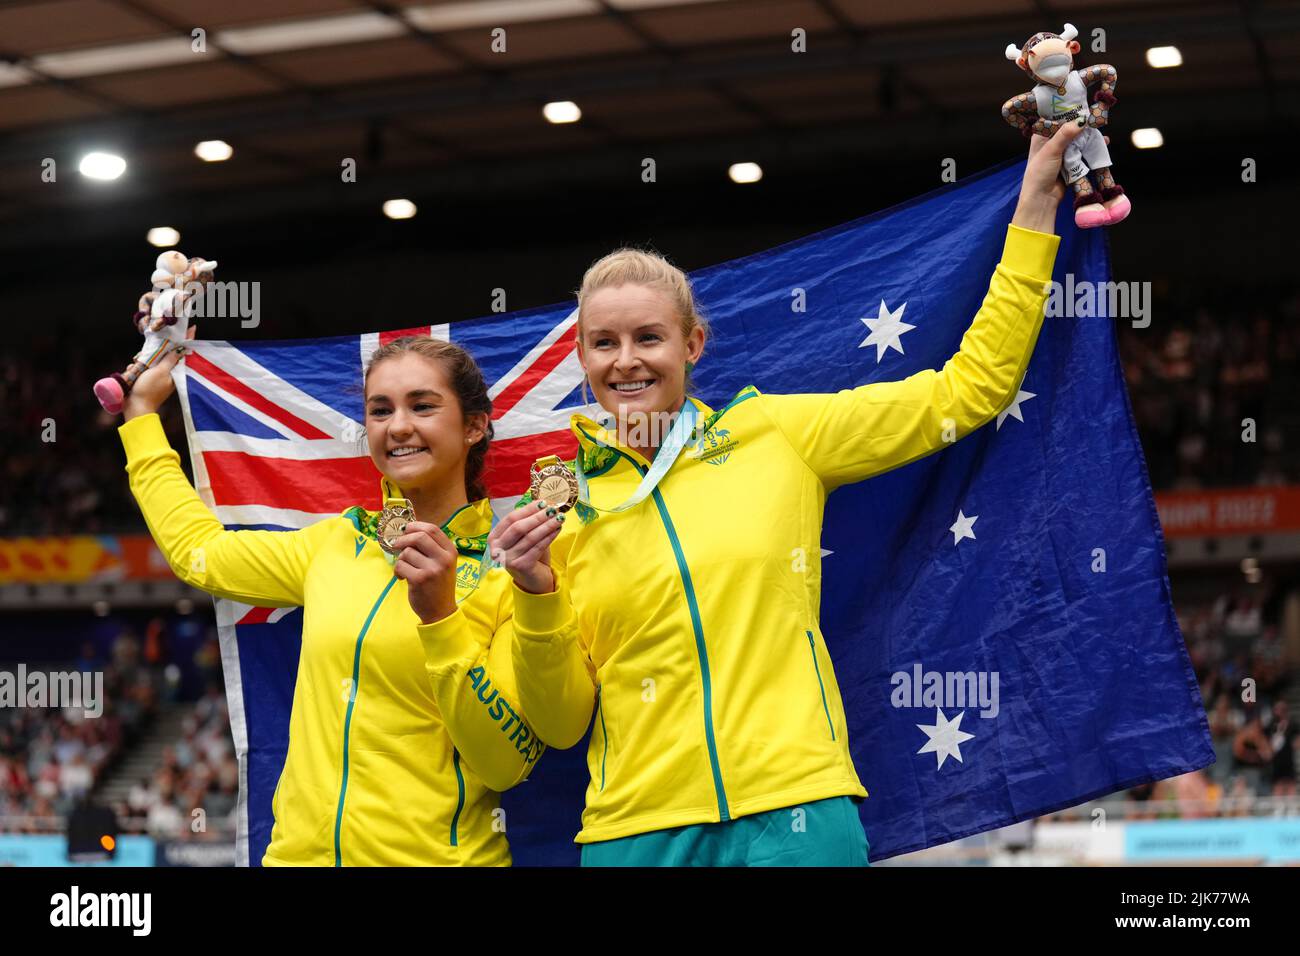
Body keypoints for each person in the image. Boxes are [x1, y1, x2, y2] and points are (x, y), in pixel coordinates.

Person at [488, 121, 1092, 866]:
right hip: (633, 832)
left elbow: (969, 391)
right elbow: (558, 723)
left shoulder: (775, 435)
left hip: (794, 813)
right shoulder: (559, 513)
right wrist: (537, 594)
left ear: (692, 345)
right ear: (581, 358)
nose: (627, 362)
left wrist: (1034, 205)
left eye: (649, 338)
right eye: (604, 344)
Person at [116, 332, 568, 865]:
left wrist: (441, 617)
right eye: (380, 410)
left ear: (475, 425)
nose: (398, 426)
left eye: (422, 406)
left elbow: (504, 763)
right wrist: (141, 414)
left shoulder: (511, 574)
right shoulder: (334, 545)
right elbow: (200, 552)